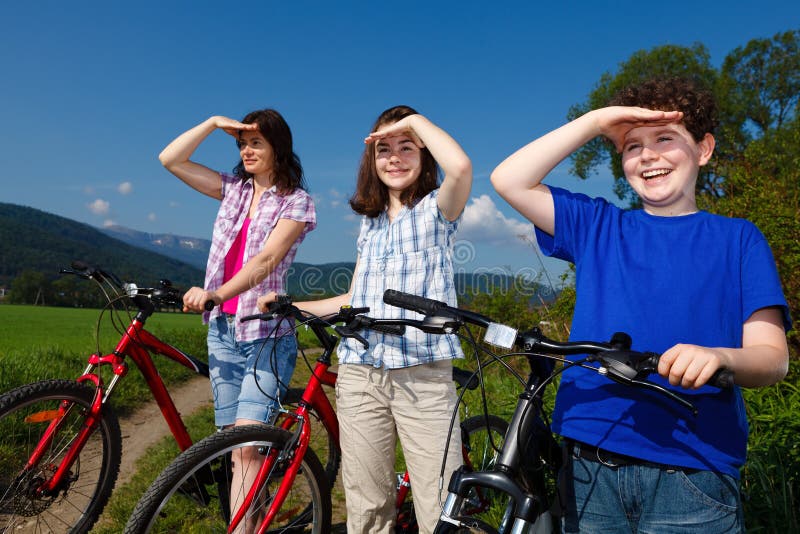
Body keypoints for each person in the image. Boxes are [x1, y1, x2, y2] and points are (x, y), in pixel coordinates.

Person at [490, 77, 791, 533]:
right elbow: (508, 179)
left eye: (665, 138)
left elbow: (772, 359)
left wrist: (720, 356)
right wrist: (596, 122)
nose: (648, 155)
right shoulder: (598, 225)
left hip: (692, 468)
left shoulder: (738, 239)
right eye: (632, 145)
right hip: (589, 460)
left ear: (704, 150)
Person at [259, 105, 472, 533]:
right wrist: (293, 304)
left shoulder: (437, 211)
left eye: (406, 147)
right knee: (367, 504)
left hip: (422, 375)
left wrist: (413, 123)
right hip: (361, 372)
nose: (394, 157)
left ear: (425, 152)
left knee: (439, 506)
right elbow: (356, 298)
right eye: (384, 149)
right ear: (371, 162)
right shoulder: (369, 225)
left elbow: (462, 166)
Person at [160, 110, 316, 532]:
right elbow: (170, 160)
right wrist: (211, 123)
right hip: (224, 332)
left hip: (265, 335)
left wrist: (217, 293)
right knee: (236, 450)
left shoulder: (296, 201)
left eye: (256, 143)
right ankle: (255, 520)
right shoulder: (232, 190)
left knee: (247, 448)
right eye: (242, 144)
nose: (247, 151)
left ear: (278, 148)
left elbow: (266, 260)